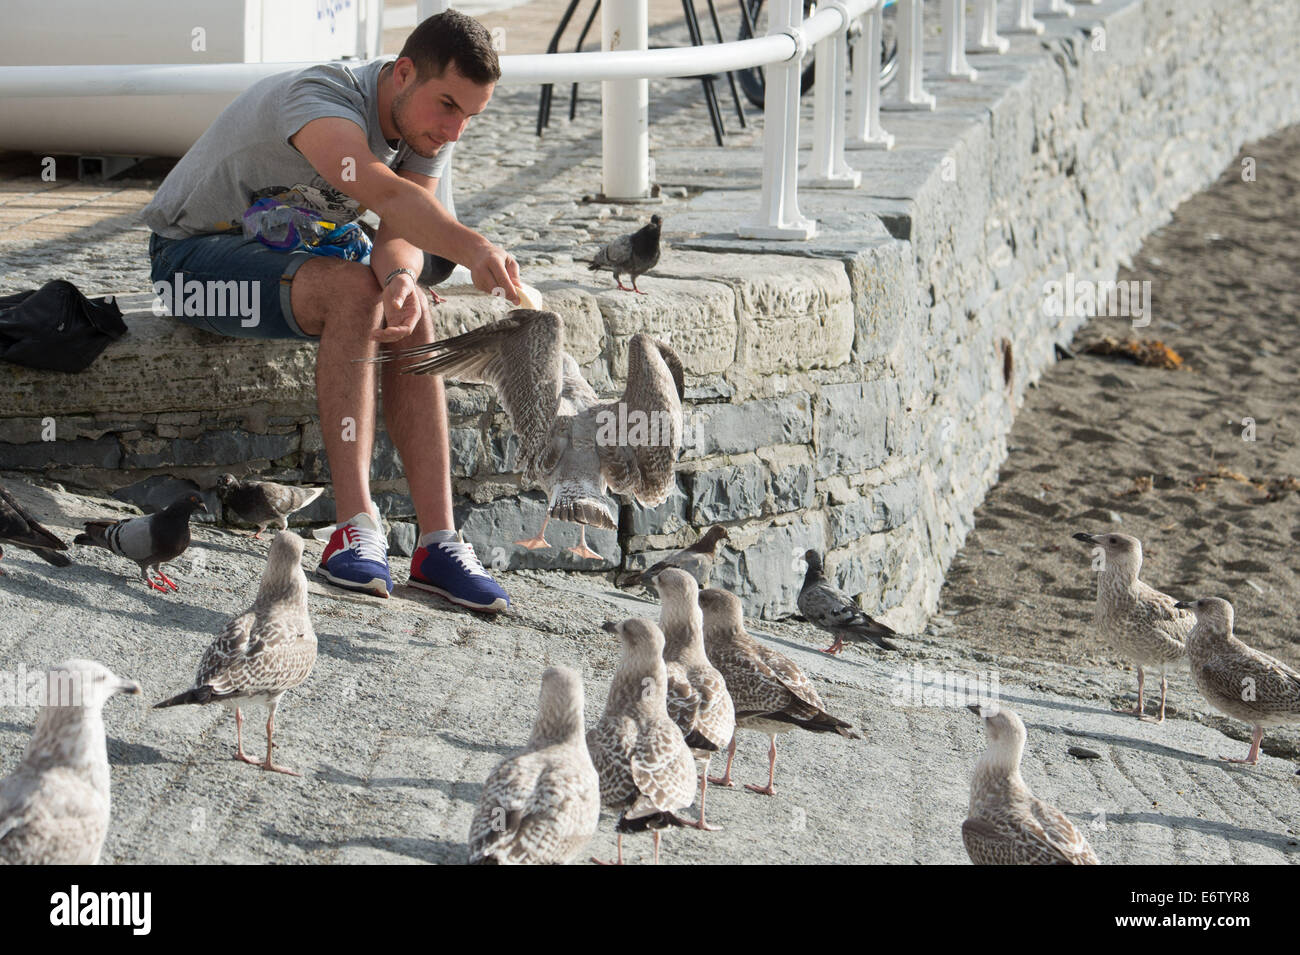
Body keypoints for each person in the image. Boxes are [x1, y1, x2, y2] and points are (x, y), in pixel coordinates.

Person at [139, 10, 515, 611]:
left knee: (408, 300)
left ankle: (438, 543)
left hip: (289, 255)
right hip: (190, 265)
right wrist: (474, 248)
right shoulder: (320, 97)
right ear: (403, 73)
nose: (454, 130)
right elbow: (381, 190)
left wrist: (398, 275)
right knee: (354, 292)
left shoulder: (424, 130)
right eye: (447, 105)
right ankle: (354, 528)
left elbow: (399, 229)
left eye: (470, 115)